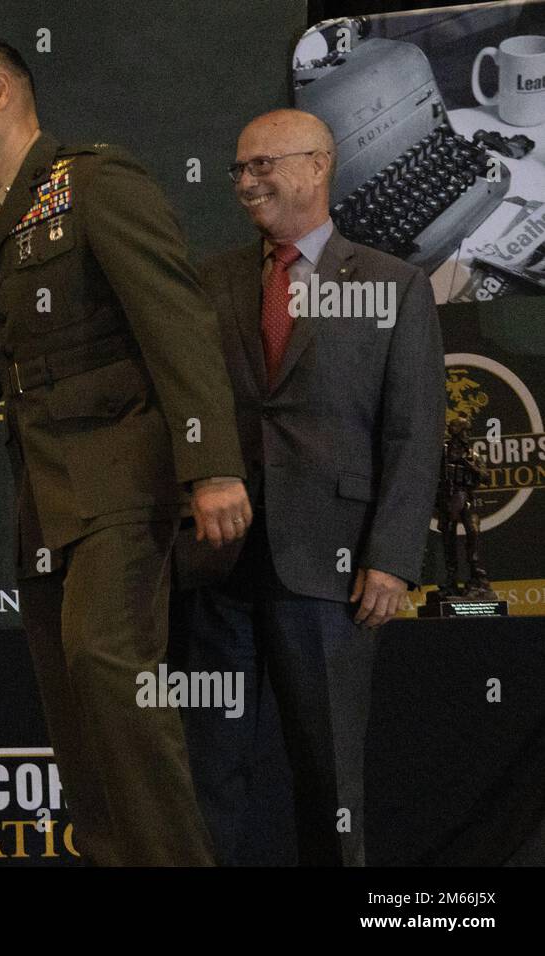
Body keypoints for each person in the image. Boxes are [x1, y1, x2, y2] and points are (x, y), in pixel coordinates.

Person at [0, 38, 251, 865]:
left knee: (107, 664)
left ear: (1, 91)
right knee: (75, 702)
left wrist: (213, 465)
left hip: (125, 481)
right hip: (43, 502)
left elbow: (176, 325)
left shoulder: (97, 183)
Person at [169, 108, 445, 865]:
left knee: (329, 781)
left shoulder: (394, 285)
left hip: (332, 570)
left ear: (319, 167)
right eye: (239, 168)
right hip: (216, 567)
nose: (247, 181)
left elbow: (414, 433)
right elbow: (184, 405)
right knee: (206, 774)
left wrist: (391, 557)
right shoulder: (209, 280)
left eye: (265, 165)